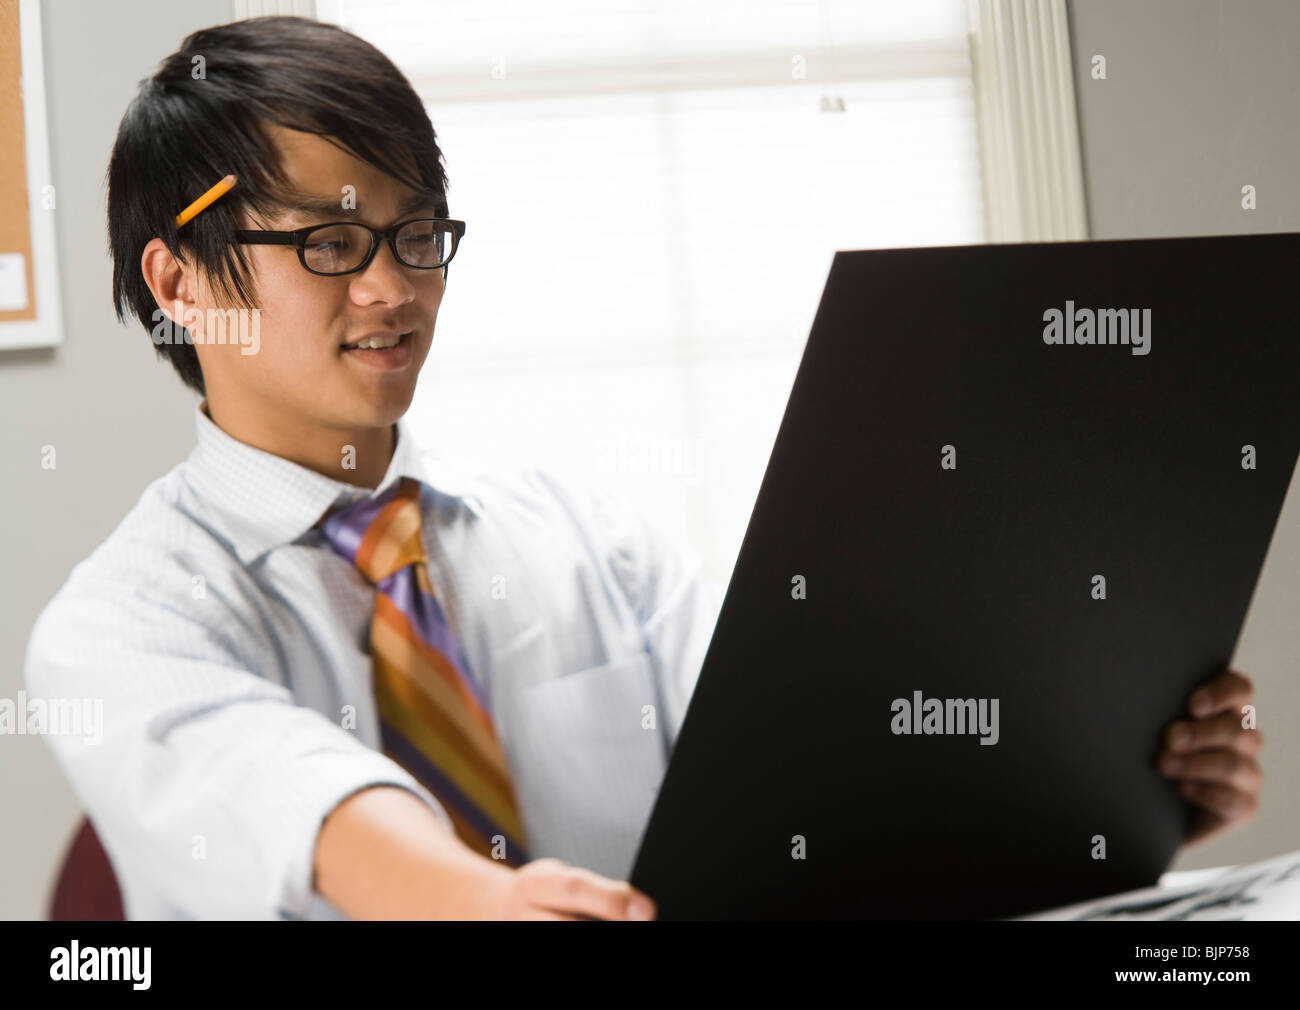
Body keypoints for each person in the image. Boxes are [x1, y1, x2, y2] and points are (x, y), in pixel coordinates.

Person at [23, 16, 1260, 921]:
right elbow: (286, 793)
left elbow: (806, 771)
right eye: (331, 241)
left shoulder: (574, 530)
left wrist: (1095, 797)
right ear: (179, 284)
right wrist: (475, 901)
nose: (393, 287)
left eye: (414, 232)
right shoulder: (117, 625)